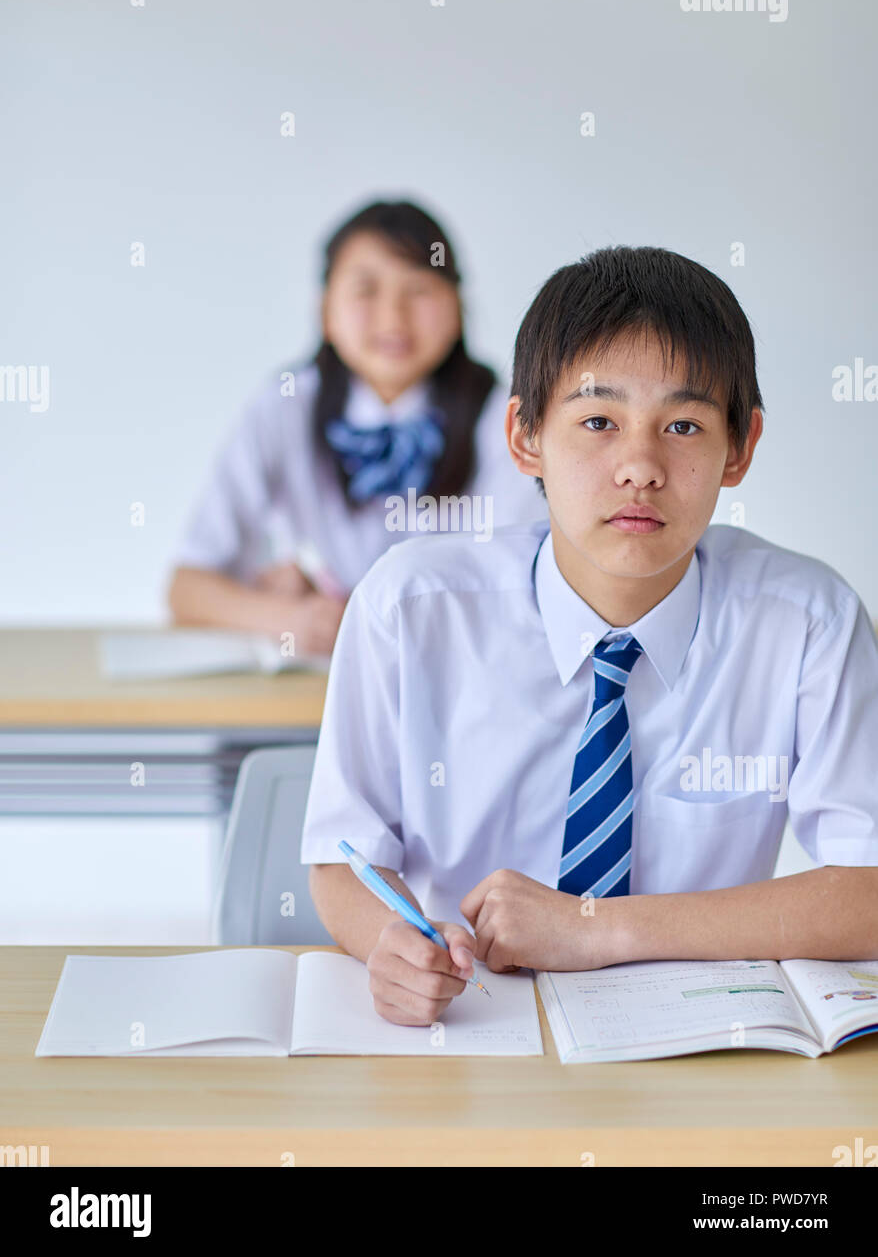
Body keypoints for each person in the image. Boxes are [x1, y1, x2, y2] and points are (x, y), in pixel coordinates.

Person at [301, 244, 878, 1024]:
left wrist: (594, 929)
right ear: (525, 435)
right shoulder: (409, 608)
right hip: (473, 1025)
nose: (639, 466)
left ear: (739, 448)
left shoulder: (809, 621)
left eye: (682, 424)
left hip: (699, 1038)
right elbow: (345, 861)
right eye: (598, 420)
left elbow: (868, 890)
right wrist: (388, 946)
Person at [166, 199, 547, 654]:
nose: (392, 318)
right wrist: (286, 616)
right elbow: (186, 588)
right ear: (326, 310)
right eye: (366, 290)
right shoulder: (284, 406)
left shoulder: (505, 419)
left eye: (419, 290)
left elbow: (529, 578)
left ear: (457, 309)